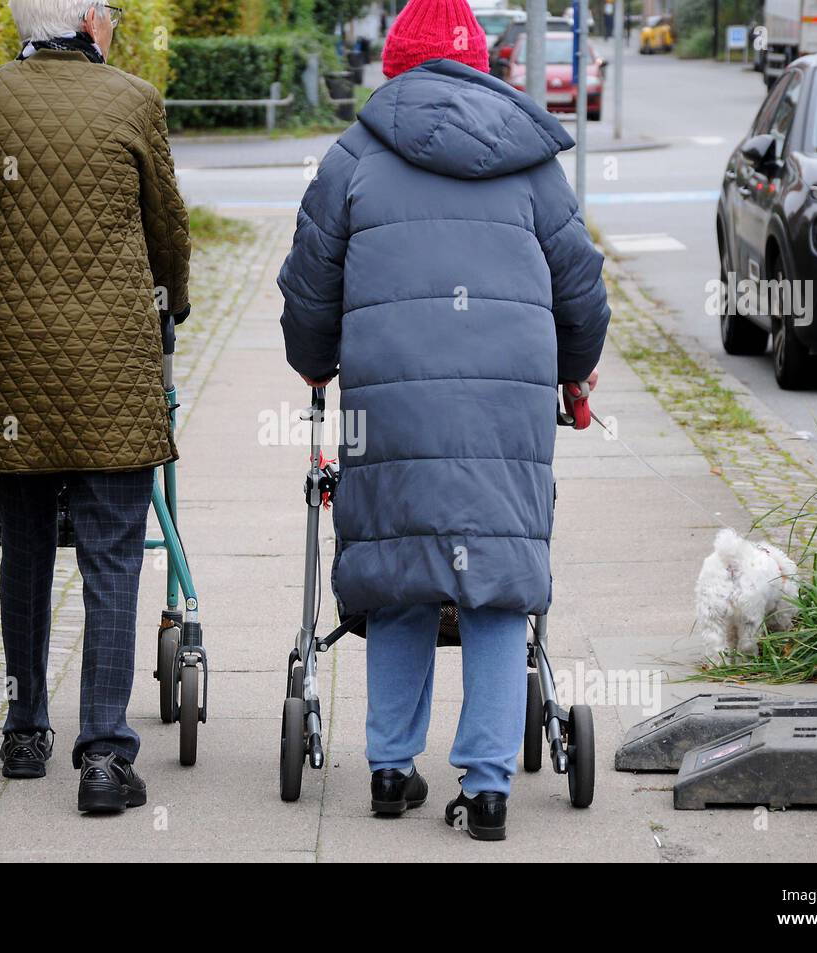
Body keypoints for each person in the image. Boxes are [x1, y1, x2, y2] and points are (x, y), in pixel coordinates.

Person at [277, 0, 609, 840]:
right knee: (498, 582)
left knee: (395, 571)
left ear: (395, 64)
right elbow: (582, 290)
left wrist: (313, 360)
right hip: (506, 415)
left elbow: (309, 288)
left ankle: (391, 769)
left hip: (391, 408)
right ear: (480, 62)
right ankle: (490, 785)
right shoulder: (534, 166)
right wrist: (575, 374)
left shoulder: (352, 158)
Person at [0, 0, 191, 814]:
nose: (115, 22)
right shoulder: (135, 100)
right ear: (81, 20)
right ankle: (105, 754)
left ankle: (25, 729)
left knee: (25, 546)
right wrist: (173, 302)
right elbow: (168, 225)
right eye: (108, 10)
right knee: (112, 551)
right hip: (113, 365)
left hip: (15, 366)